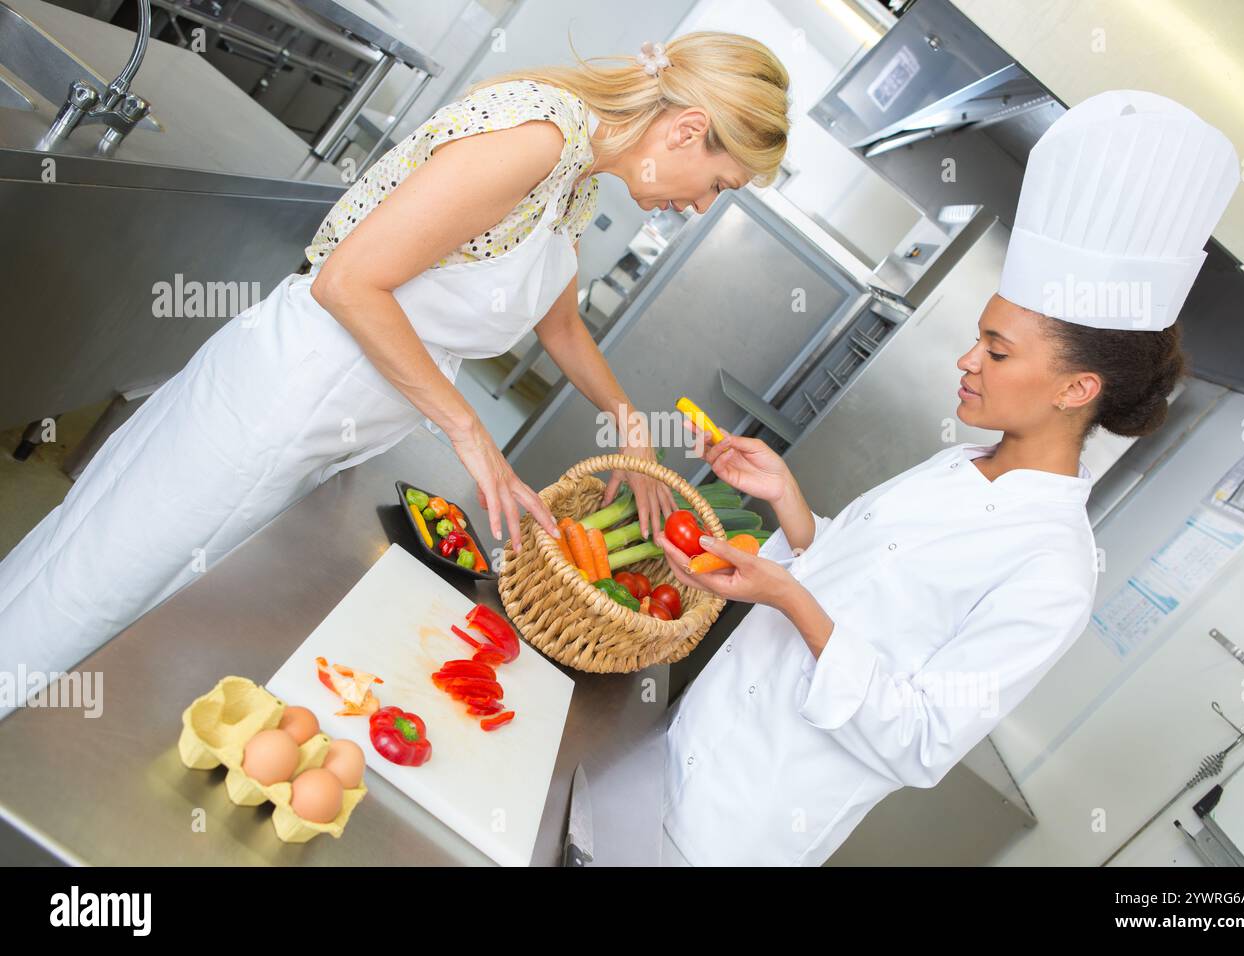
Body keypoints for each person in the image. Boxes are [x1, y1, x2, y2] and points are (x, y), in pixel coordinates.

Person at [0, 33, 791, 716]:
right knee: (103, 582)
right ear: (689, 130)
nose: (699, 207)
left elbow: (559, 321)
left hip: (335, 418)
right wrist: (469, 433)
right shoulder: (536, 138)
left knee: (151, 595)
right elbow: (349, 281)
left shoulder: (577, 177)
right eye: (718, 185)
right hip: (287, 397)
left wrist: (627, 419)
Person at [654, 89, 1240, 866]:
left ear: (1076, 389)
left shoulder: (1054, 569)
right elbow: (863, 591)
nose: (969, 360)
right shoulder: (960, 464)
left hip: (743, 823)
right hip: (693, 738)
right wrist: (789, 505)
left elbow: (922, 741)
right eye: (978, 339)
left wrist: (788, 595)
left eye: (997, 352)